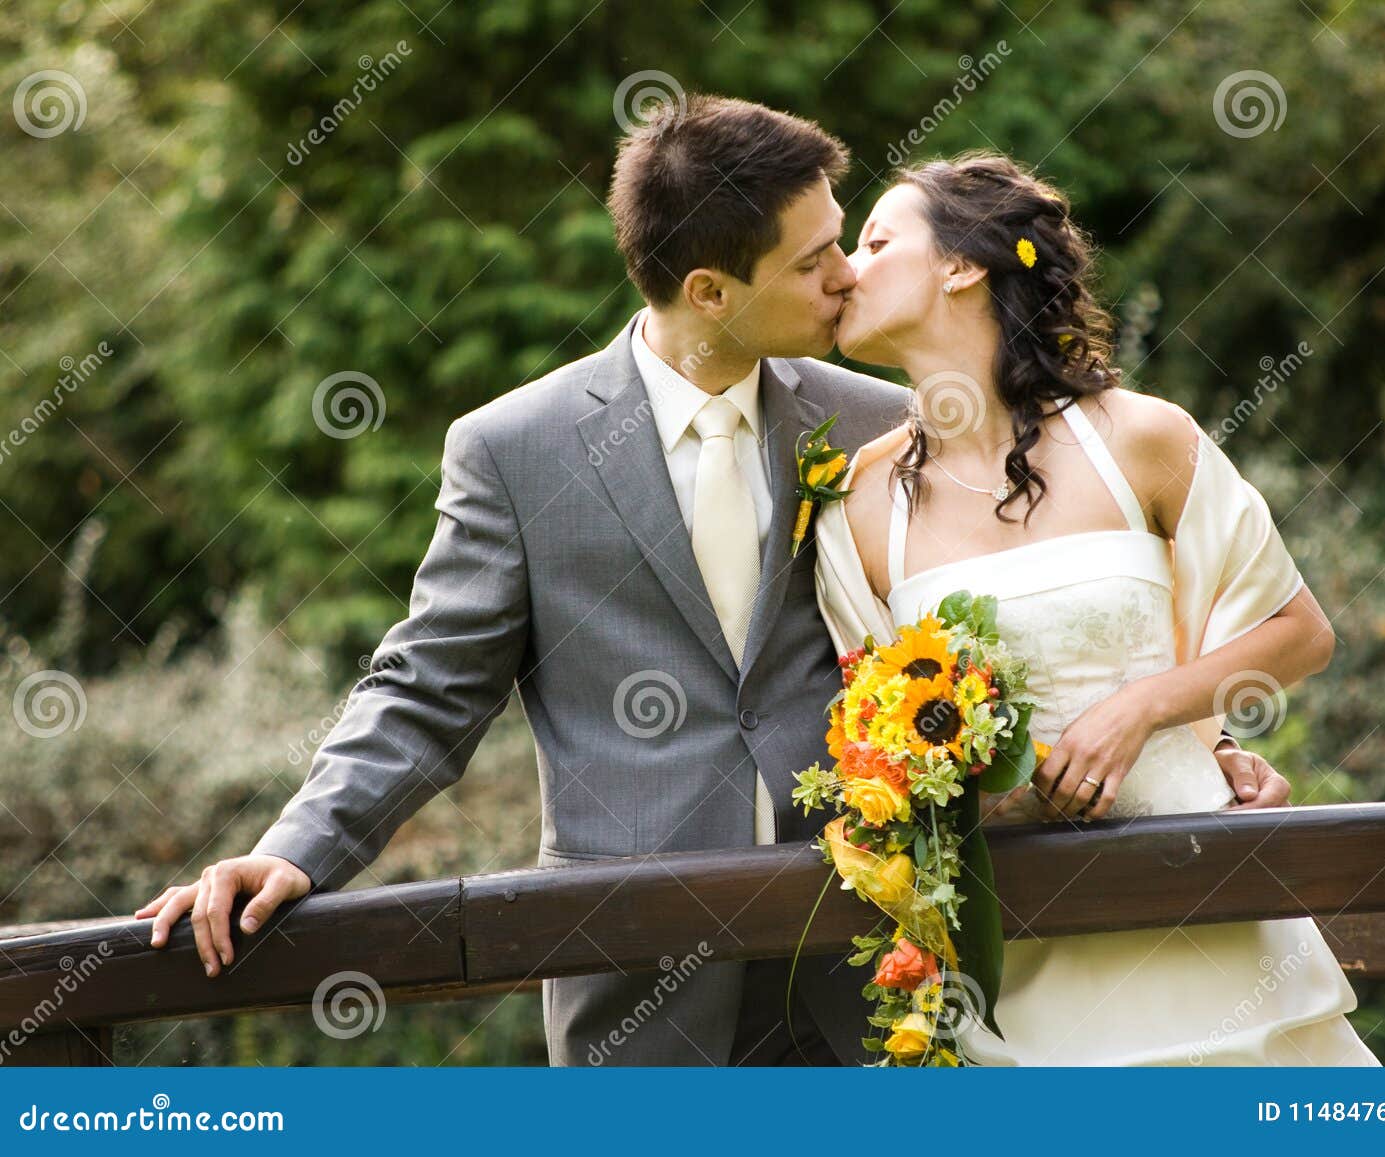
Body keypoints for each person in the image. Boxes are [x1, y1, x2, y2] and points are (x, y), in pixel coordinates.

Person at [136, 98, 1294, 1066]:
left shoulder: (883, 427)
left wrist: (1185, 734)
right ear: (708, 291)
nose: (846, 275)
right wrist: (297, 845)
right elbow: (427, 686)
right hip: (635, 969)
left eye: (847, 238)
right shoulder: (515, 448)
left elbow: (1015, 612)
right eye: (814, 258)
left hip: (858, 957)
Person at [813, 151, 1379, 1065]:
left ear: (963, 265)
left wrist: (1152, 710)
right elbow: (872, 740)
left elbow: (1297, 632)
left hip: (1203, 901)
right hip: (1018, 947)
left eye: (877, 241)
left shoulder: (1140, 438)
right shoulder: (859, 504)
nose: (847, 269)